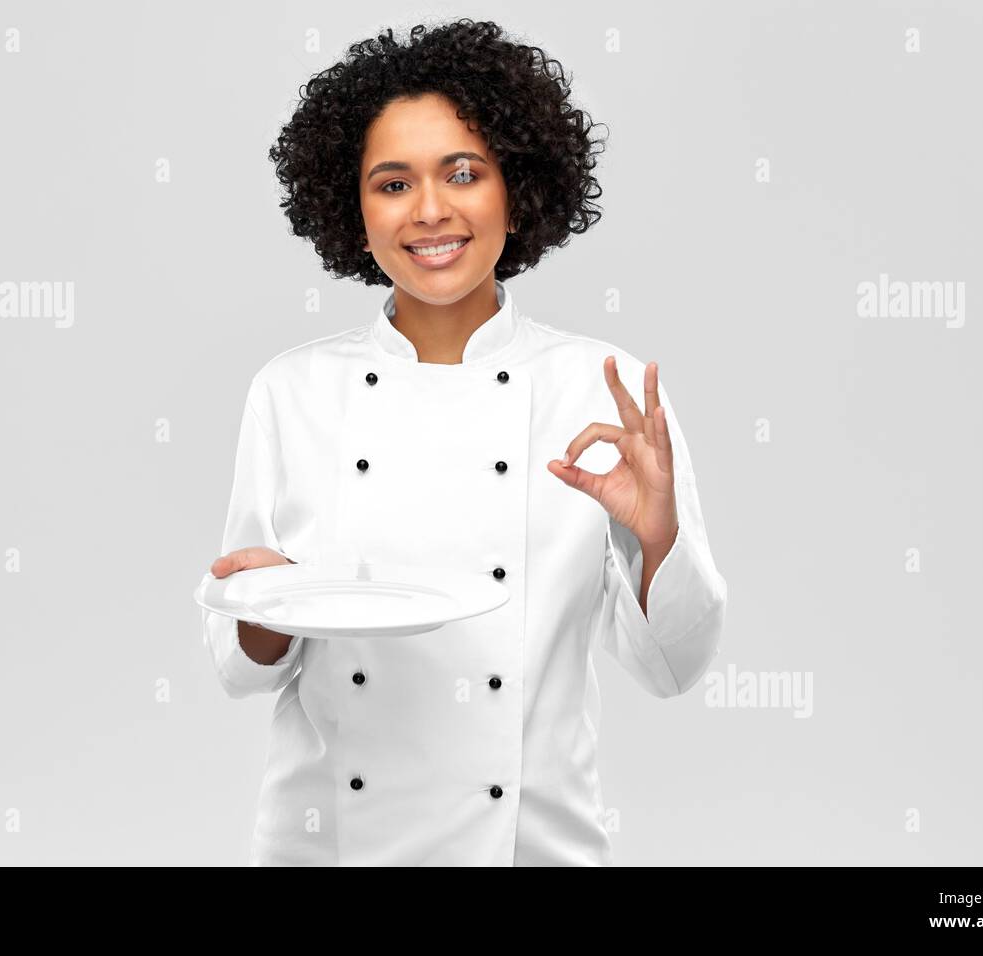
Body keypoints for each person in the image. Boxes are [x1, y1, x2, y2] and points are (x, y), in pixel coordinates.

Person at [202, 18, 728, 866]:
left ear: (516, 190)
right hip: (329, 843)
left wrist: (658, 537)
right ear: (353, 208)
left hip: (531, 846)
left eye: (464, 173)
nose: (432, 211)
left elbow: (674, 670)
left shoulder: (602, 388)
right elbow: (241, 668)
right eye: (393, 183)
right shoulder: (291, 392)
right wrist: (261, 608)